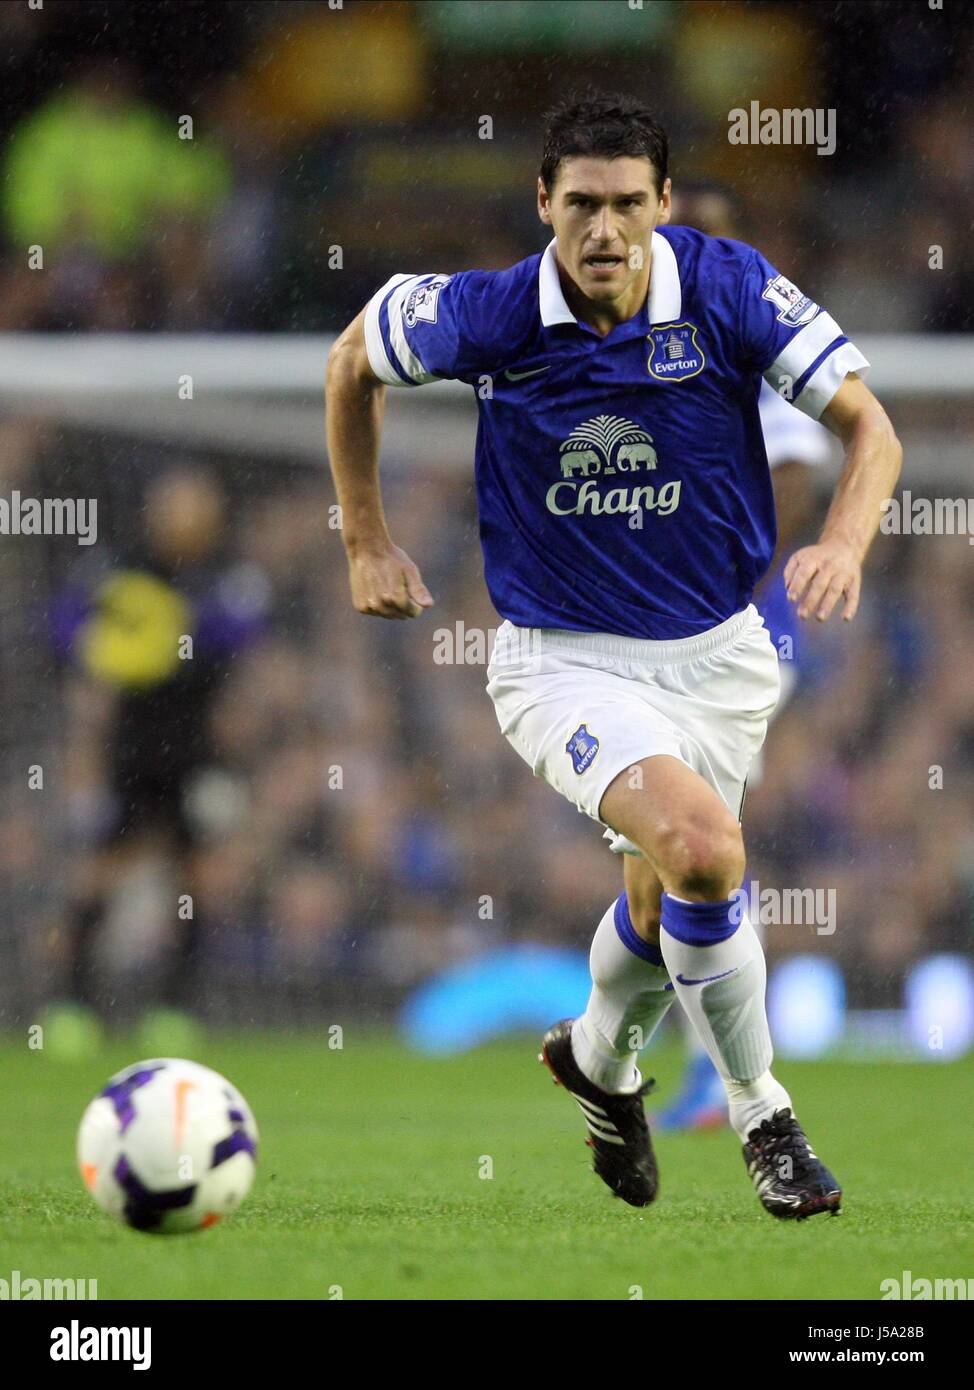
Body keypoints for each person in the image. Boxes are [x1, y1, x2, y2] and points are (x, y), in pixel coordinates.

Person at [326, 93, 901, 1219]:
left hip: (720, 655)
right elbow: (352, 360)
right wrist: (364, 539)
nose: (603, 230)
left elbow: (869, 428)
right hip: (562, 662)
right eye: (579, 204)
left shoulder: (728, 286)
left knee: (659, 901)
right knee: (701, 850)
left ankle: (598, 1062)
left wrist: (842, 543)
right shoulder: (487, 314)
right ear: (540, 202)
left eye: (627, 204)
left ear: (663, 204)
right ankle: (761, 1114)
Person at [654, 180, 835, 1131]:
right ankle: (690, 1050)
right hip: (669, 627)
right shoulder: (653, 353)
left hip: (739, 630)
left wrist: (724, 578)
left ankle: (720, 1068)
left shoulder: (750, 342)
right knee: (680, 838)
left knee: (701, 833)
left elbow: (802, 468)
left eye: (706, 237)